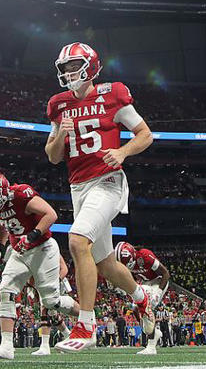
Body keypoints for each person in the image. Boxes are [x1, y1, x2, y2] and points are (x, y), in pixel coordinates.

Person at [45, 42, 155, 352]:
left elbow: (145, 134)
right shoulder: (58, 104)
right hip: (78, 187)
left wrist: (121, 151)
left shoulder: (114, 94)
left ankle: (86, 325)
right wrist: (62, 135)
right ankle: (141, 297)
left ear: (90, 65)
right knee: (105, 263)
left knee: (78, 240)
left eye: (73, 65)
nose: (68, 72)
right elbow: (53, 156)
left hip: (108, 182)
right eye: (64, 67)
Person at [0, 171, 79, 360]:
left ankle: (85, 319)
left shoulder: (21, 194)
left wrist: (32, 235)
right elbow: (1, 223)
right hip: (20, 251)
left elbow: (51, 214)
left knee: (51, 301)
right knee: (5, 289)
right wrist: (0, 247)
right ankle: (7, 347)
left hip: (43, 248)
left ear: (4, 191)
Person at [115, 241, 171, 355]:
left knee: (146, 305)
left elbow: (165, 273)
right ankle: (154, 333)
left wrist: (158, 293)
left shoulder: (145, 255)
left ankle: (151, 346)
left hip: (159, 281)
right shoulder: (125, 261)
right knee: (136, 308)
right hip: (146, 282)